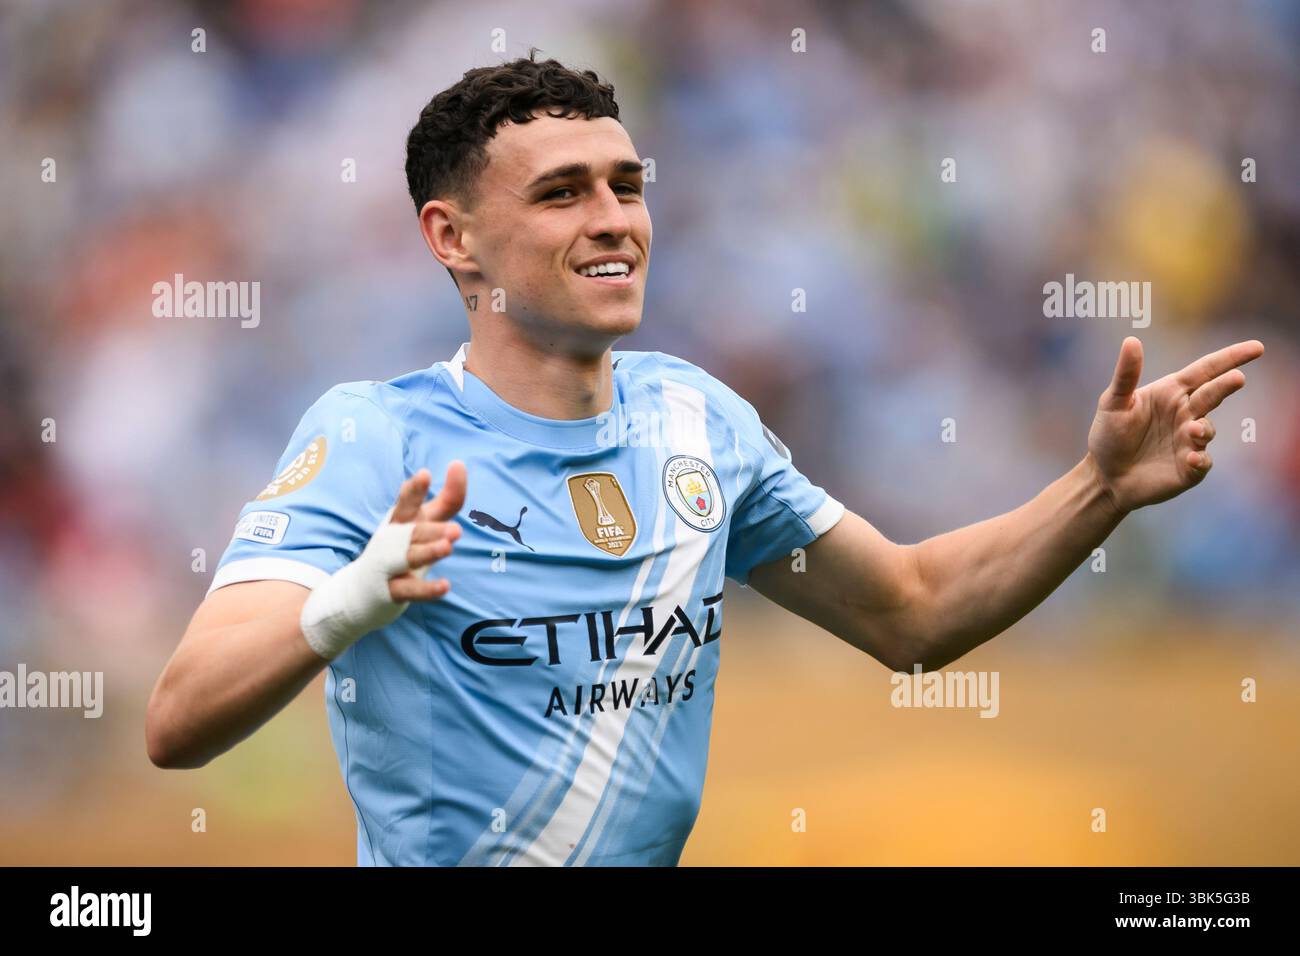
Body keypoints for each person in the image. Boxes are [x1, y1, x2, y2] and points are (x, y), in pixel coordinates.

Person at [145, 51, 1264, 866]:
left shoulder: (698, 420)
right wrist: (350, 599)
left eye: (625, 184)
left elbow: (915, 613)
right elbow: (178, 720)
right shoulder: (373, 435)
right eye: (560, 191)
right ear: (453, 237)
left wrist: (1099, 489)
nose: (614, 218)